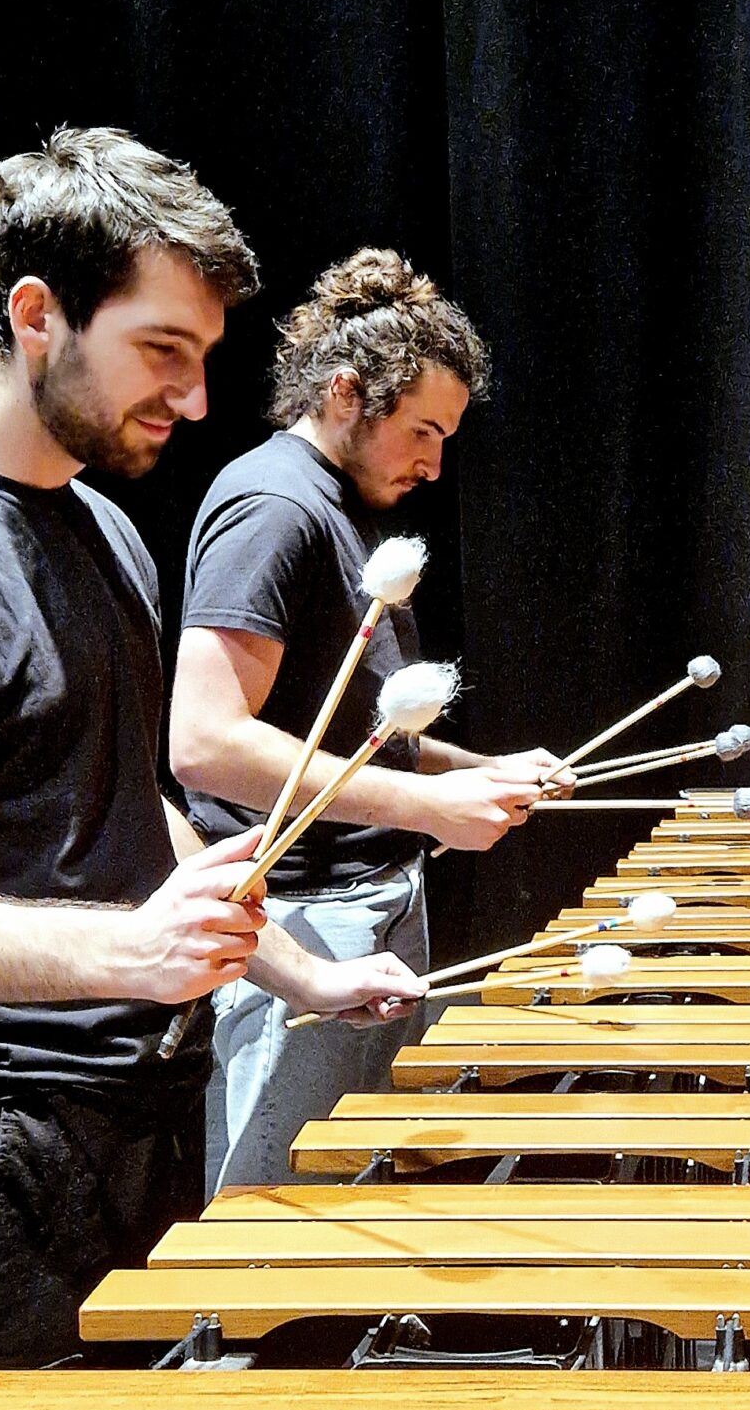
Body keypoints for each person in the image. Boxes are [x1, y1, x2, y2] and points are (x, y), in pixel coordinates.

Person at [0, 127, 423, 1410]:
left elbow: (124, 811)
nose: (196, 396)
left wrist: (292, 966)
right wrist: (116, 959)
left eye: (207, 354)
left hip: (138, 1123)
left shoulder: (102, 530)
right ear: (35, 314)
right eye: (161, 348)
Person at [169, 248, 558, 1187]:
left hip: (374, 899)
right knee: (277, 1232)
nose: (433, 462)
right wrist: (428, 810)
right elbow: (206, 743)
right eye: (422, 430)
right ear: (345, 391)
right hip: (299, 919)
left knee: (361, 1198)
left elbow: (359, 742)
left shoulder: (348, 510)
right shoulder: (274, 506)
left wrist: (474, 773)